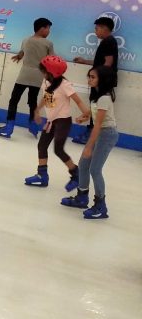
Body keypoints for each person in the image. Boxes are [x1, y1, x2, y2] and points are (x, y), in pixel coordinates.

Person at [24, 56, 90, 191]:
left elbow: (78, 101)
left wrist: (85, 113)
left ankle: (76, 174)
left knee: (58, 149)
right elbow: (47, 97)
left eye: (43, 71)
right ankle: (42, 176)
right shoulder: (47, 81)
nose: (42, 73)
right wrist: (37, 110)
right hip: (51, 121)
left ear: (50, 72)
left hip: (63, 121)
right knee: (42, 145)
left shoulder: (64, 85)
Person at [60, 65, 117, 219]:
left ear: (102, 79)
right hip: (99, 133)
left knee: (95, 170)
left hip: (106, 135)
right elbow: (95, 116)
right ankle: (81, 197)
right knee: (84, 165)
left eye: (93, 77)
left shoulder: (104, 97)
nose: (89, 80)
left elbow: (98, 124)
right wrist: (84, 116)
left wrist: (89, 146)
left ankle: (100, 206)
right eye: (89, 76)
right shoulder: (96, 95)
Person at [0, 18, 55, 138]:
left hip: (24, 74)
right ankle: (32, 125)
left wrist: (18, 56)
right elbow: (52, 59)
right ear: (42, 28)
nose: (49, 31)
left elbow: (22, 53)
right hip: (38, 75)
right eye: (48, 28)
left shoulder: (26, 40)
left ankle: (9, 126)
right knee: (32, 100)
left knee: (14, 100)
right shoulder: (48, 43)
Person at [72, 16, 119, 143]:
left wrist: (98, 78)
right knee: (95, 104)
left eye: (97, 28)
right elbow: (101, 62)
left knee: (97, 105)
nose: (95, 31)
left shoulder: (109, 41)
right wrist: (84, 61)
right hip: (102, 79)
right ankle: (93, 132)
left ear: (104, 28)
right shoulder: (107, 41)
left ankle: (92, 133)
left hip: (103, 81)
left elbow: (108, 63)